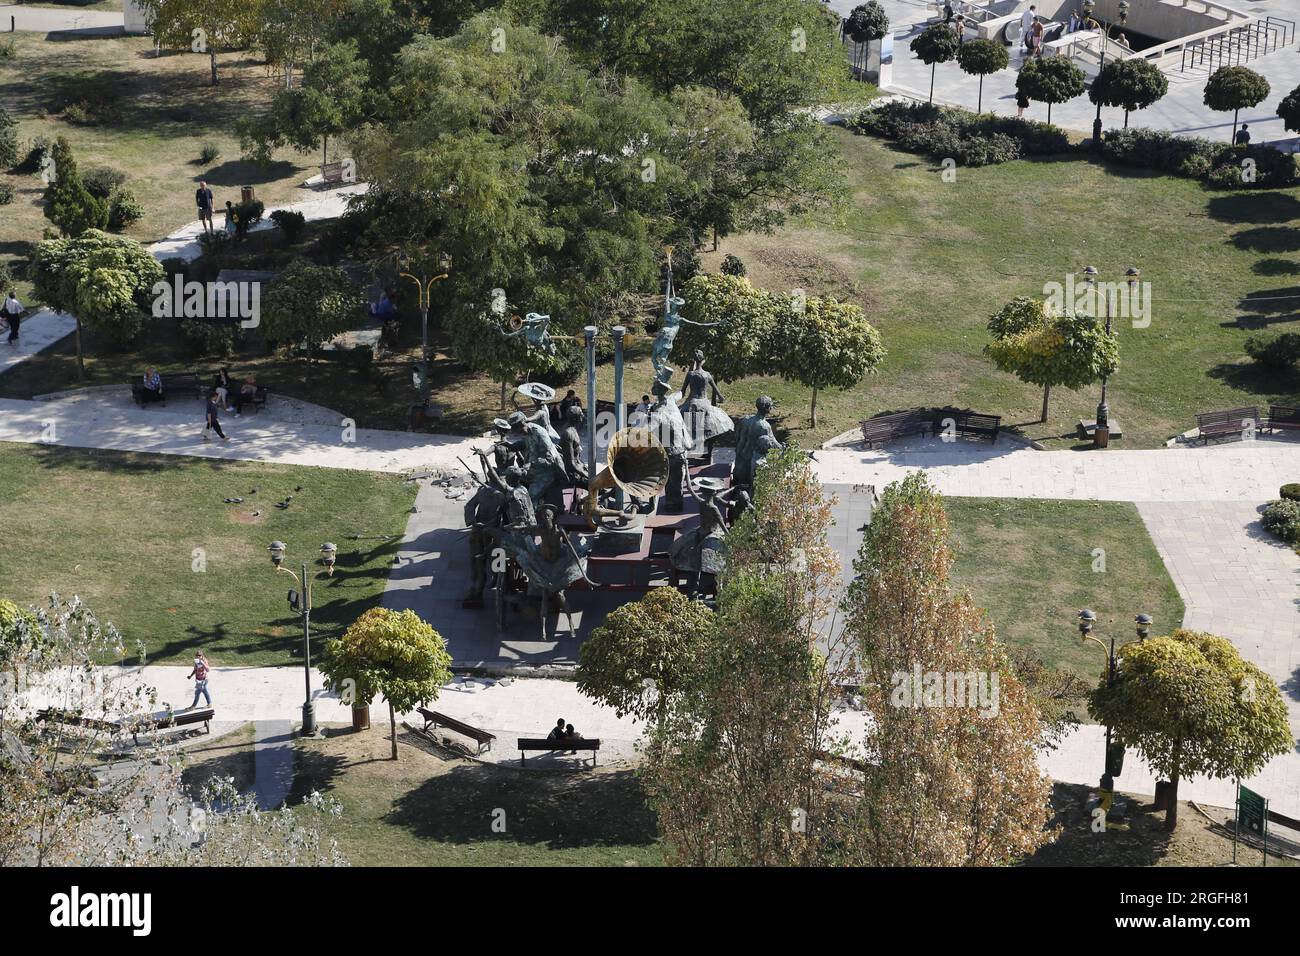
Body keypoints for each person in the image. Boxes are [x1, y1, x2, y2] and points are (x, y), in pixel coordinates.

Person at [678, 349, 732, 458]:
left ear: (694, 360)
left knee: (682, 427)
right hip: (704, 405)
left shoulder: (690, 374)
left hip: (691, 404)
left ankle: (685, 452)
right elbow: (718, 393)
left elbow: (682, 391)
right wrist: (721, 400)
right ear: (703, 360)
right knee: (711, 428)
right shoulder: (707, 375)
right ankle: (709, 453)